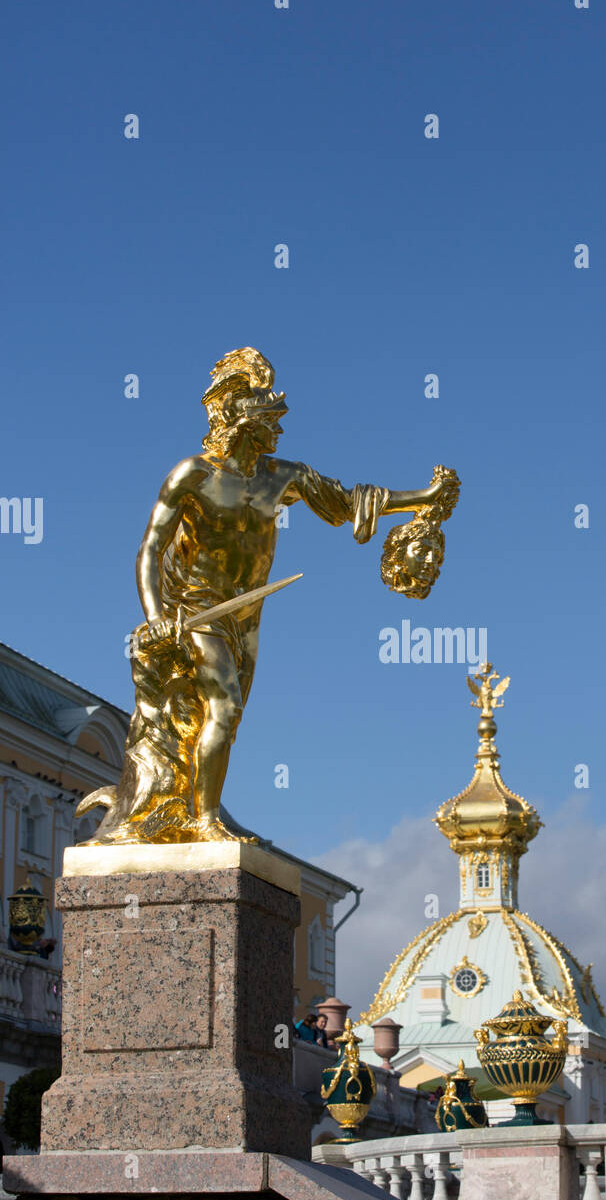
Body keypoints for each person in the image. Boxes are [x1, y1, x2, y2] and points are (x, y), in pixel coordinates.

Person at [76, 347, 455, 845]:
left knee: (220, 723)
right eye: (271, 418)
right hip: (197, 609)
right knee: (225, 708)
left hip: (245, 620)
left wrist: (424, 500)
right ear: (241, 419)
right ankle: (206, 821)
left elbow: (347, 502)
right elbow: (149, 551)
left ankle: (189, 809)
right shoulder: (193, 476)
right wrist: (156, 617)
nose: (280, 428)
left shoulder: (283, 477)